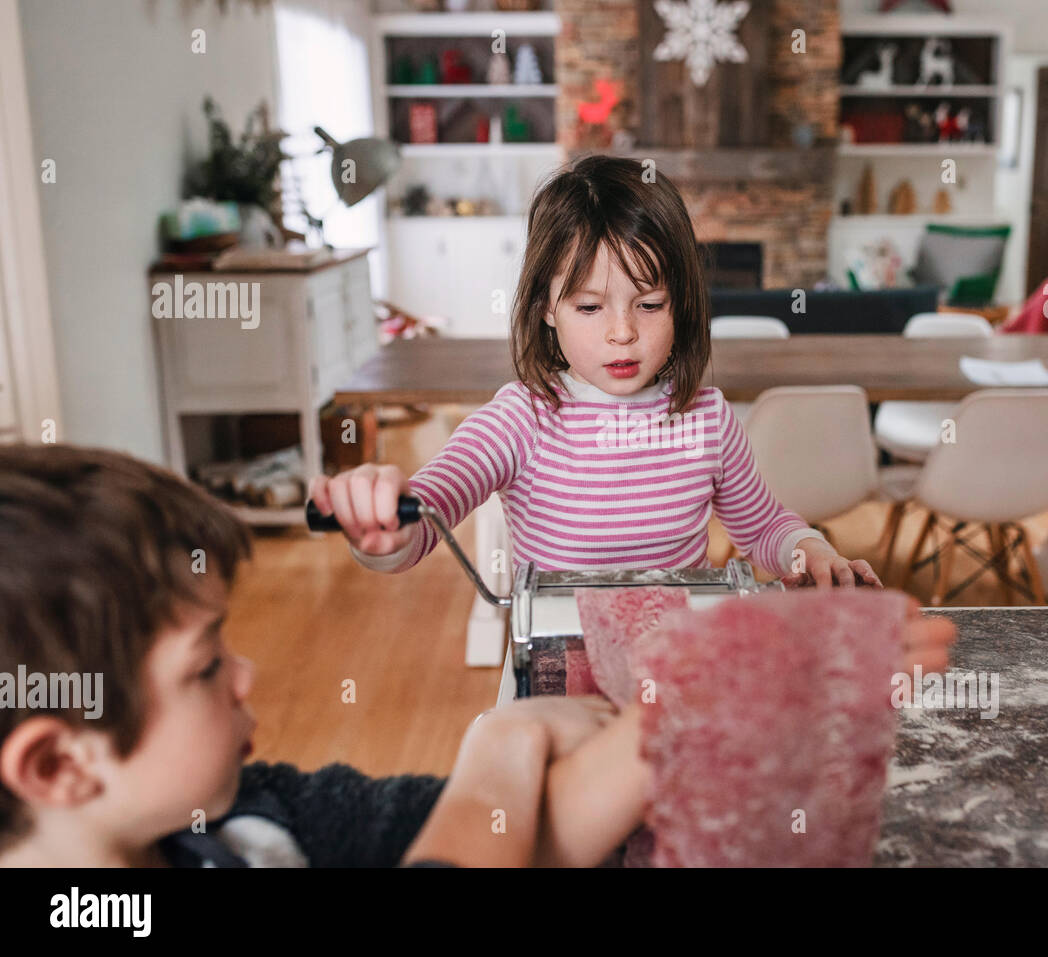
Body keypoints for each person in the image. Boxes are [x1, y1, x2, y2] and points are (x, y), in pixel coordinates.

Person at [0, 445, 953, 867]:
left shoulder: (260, 816)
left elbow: (519, 837)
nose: (250, 675)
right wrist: (501, 738)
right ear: (57, 760)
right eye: (207, 666)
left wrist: (719, 689)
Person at [310, 154, 881, 590]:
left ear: (681, 306)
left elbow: (762, 530)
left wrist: (811, 551)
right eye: (589, 307)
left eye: (649, 305)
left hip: (676, 662)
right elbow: (431, 511)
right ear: (546, 309)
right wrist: (385, 527)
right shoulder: (521, 419)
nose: (622, 331)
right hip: (559, 672)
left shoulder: (707, 418)